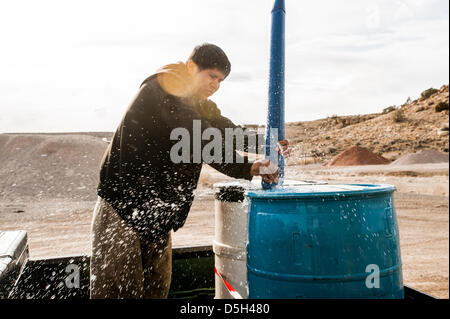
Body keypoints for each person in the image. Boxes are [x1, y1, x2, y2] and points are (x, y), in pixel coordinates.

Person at [90, 43, 288, 299]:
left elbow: (223, 129)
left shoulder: (197, 103)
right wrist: (248, 166)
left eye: (221, 80)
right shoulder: (165, 87)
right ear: (192, 67)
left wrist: (264, 143)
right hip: (122, 209)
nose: (216, 85)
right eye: (212, 76)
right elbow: (199, 140)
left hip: (155, 215)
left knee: (155, 291)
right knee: (119, 294)